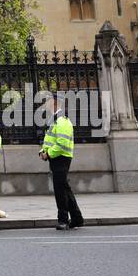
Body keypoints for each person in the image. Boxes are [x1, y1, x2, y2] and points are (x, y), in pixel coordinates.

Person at [40, 95, 84, 230]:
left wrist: (49, 153)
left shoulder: (62, 121)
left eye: (48, 101)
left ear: (55, 103)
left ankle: (63, 220)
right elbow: (49, 140)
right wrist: (42, 151)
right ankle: (77, 218)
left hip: (62, 158)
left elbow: (62, 143)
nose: (45, 104)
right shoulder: (53, 121)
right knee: (64, 188)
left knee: (60, 190)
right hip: (56, 158)